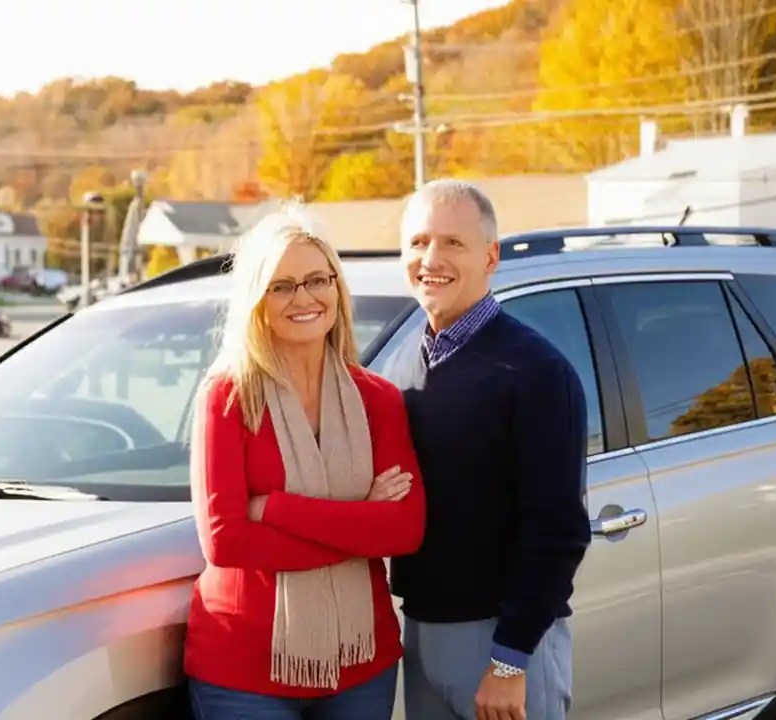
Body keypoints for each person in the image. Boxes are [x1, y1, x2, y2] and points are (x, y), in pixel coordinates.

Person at [184, 207, 427, 720]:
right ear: (256, 301)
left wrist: (274, 509)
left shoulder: (378, 399)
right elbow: (226, 542)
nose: (304, 297)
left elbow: (403, 531)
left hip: (361, 663)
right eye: (282, 286)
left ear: (337, 288)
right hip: (243, 671)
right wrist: (360, 519)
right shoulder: (227, 397)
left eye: (318, 279)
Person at [388, 179, 591, 720]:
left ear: (490, 256)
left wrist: (509, 661)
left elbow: (559, 528)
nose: (431, 258)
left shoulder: (537, 371)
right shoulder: (405, 364)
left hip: (501, 644)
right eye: (418, 242)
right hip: (423, 632)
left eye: (453, 243)